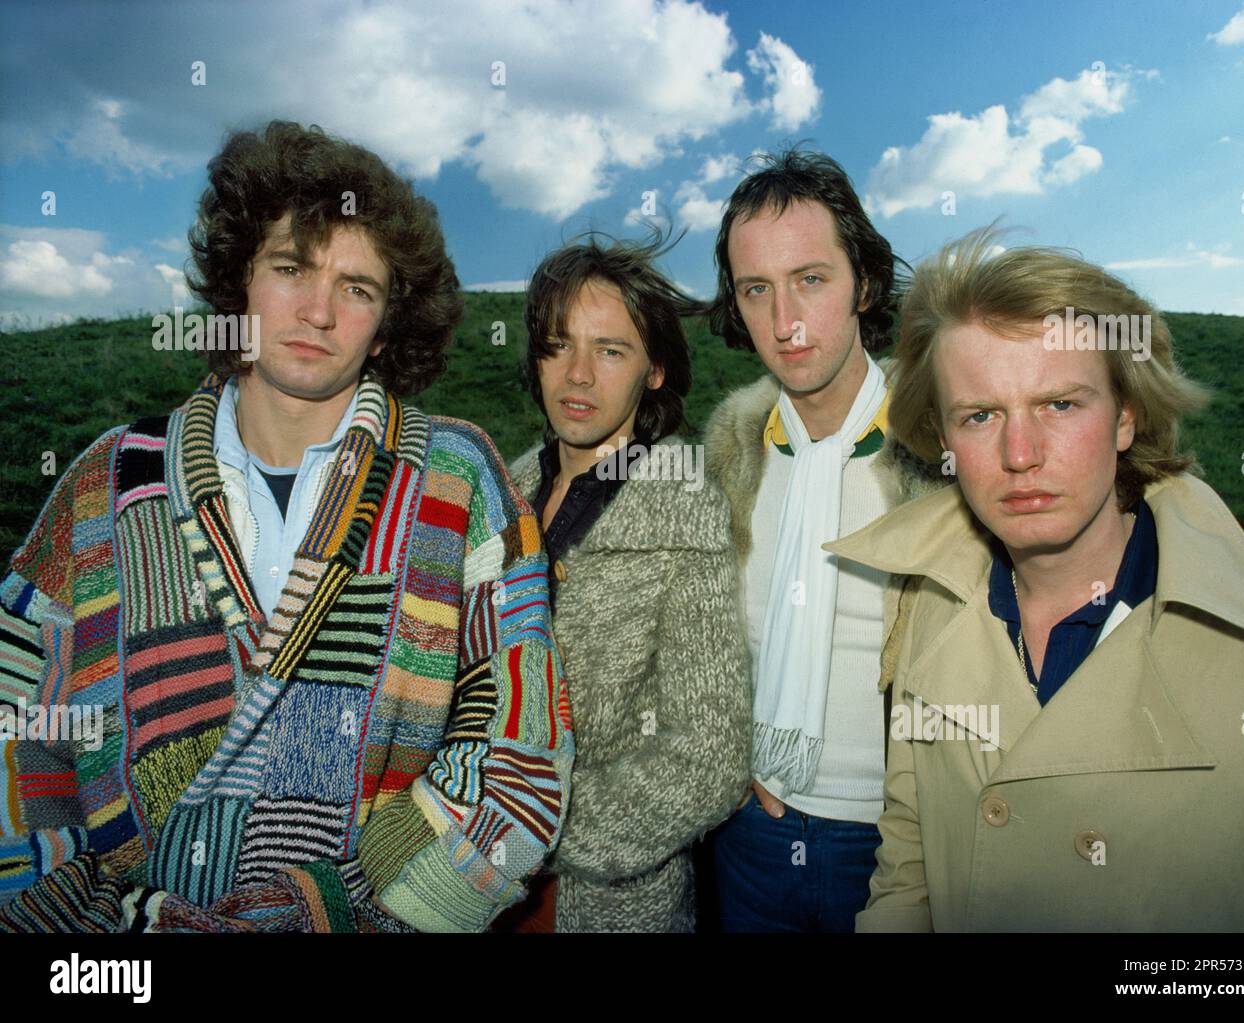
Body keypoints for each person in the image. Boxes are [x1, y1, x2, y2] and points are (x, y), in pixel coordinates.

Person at [0, 121, 573, 932]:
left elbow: (521, 757)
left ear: (385, 327)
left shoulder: (457, 479)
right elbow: (17, 716)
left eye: (358, 288)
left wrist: (333, 915)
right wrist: (86, 926)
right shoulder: (108, 482)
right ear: (240, 282)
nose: (318, 311)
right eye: (290, 268)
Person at [829, 228, 1244, 931]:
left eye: (1060, 404)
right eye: (981, 415)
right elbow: (909, 857)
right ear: (947, 439)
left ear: (1126, 416)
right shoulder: (925, 600)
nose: (1020, 454)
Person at [700, 148, 947, 932]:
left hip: (899, 842)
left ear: (864, 283)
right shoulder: (729, 451)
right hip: (747, 828)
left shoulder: (942, 443)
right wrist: (723, 769)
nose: (786, 322)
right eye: (756, 290)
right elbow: (697, 636)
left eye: (811, 279)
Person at [500, 234, 750, 931]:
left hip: (601, 903)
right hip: (464, 901)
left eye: (610, 350)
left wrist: (521, 831)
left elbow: (709, 757)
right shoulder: (497, 488)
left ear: (656, 370)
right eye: (558, 344)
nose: (578, 374)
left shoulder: (687, 502)